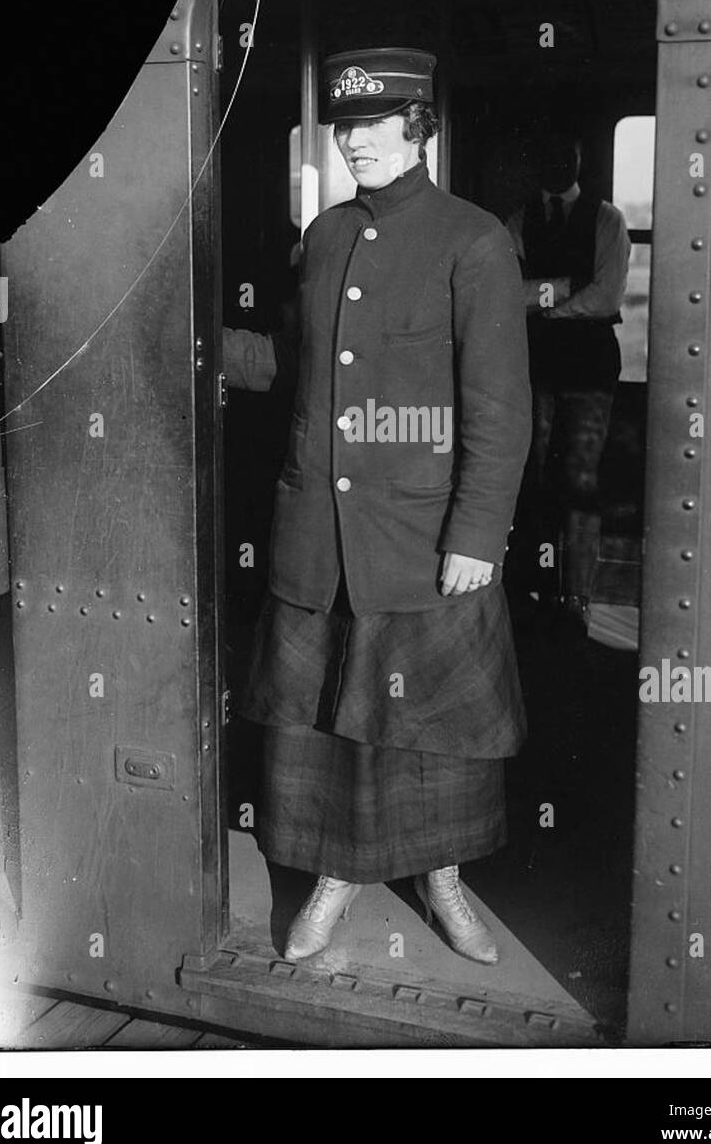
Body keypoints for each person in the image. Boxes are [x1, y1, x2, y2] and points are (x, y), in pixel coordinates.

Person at [223, 47, 531, 966]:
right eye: (344, 127)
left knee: (433, 732)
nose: (353, 141)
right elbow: (292, 368)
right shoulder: (321, 236)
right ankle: (335, 881)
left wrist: (477, 534)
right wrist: (200, 343)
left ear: (417, 127)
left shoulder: (473, 241)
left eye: (373, 124)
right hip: (317, 538)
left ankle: (442, 884)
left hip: (420, 541)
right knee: (322, 728)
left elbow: (499, 410)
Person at [505, 131, 631, 636]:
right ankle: (532, 589)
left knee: (579, 481)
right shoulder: (517, 221)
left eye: (567, 152)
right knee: (530, 477)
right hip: (534, 367)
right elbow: (506, 295)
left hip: (589, 369)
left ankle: (576, 595)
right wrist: (565, 291)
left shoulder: (608, 219)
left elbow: (607, 296)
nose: (558, 161)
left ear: (580, 158)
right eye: (549, 153)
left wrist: (543, 303)